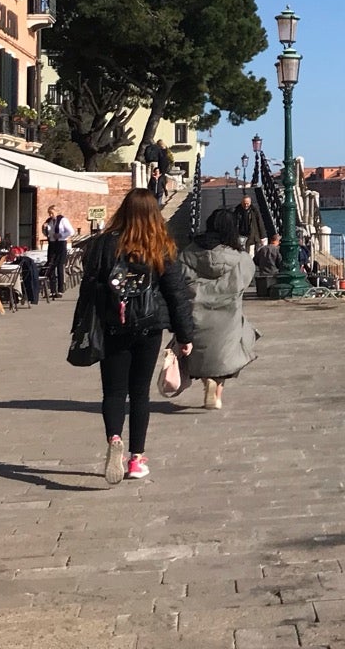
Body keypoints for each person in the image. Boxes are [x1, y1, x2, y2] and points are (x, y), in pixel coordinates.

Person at [77, 189, 194, 484]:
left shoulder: (103, 244)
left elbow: (88, 286)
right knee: (139, 393)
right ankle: (136, 459)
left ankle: (114, 438)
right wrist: (184, 334)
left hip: (113, 326)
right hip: (148, 325)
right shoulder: (161, 245)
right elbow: (176, 293)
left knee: (114, 392)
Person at [180, 208, 258, 410]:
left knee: (203, 354)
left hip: (196, 315)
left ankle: (208, 382)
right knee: (226, 354)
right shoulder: (240, 259)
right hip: (227, 317)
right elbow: (247, 279)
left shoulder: (188, 253)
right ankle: (217, 391)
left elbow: (179, 280)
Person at [42, 209, 76, 299]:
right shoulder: (48, 221)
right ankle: (52, 290)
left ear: (57, 212)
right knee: (51, 265)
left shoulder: (63, 220)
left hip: (61, 244)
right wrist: (44, 228)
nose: (50, 215)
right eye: (49, 213)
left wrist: (61, 235)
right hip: (52, 244)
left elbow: (71, 232)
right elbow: (47, 234)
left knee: (60, 266)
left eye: (52, 213)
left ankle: (60, 289)